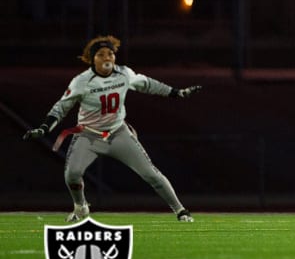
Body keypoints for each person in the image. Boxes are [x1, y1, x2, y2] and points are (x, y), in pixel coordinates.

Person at [21, 35, 200, 222]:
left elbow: (148, 84)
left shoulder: (124, 74)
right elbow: (61, 107)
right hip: (89, 135)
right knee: (72, 175)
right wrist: (44, 128)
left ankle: (180, 210)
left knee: (150, 173)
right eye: (101, 54)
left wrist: (177, 93)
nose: (107, 57)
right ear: (92, 59)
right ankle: (81, 207)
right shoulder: (81, 81)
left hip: (118, 133)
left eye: (110, 53)